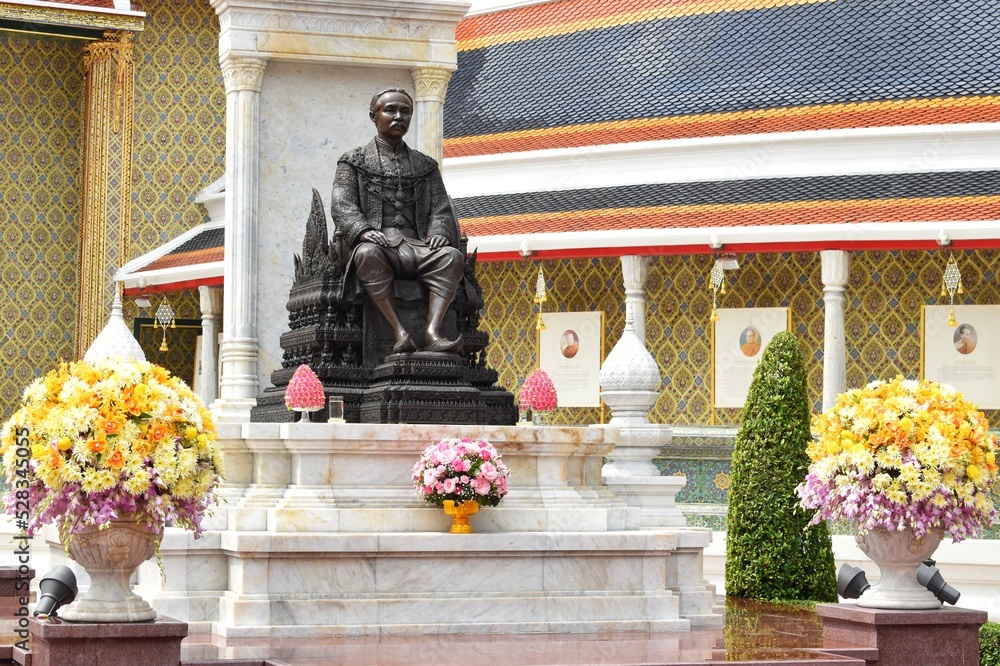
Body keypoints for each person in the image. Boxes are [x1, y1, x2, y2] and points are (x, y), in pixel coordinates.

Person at [331, 88, 464, 353]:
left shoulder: (425, 165)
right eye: (390, 110)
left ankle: (432, 332)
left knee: (452, 257)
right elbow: (341, 204)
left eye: (405, 111)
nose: (398, 117)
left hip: (418, 244)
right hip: (381, 244)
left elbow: (441, 205)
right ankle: (399, 332)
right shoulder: (353, 161)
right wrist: (363, 231)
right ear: (374, 115)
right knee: (367, 253)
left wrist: (439, 231)